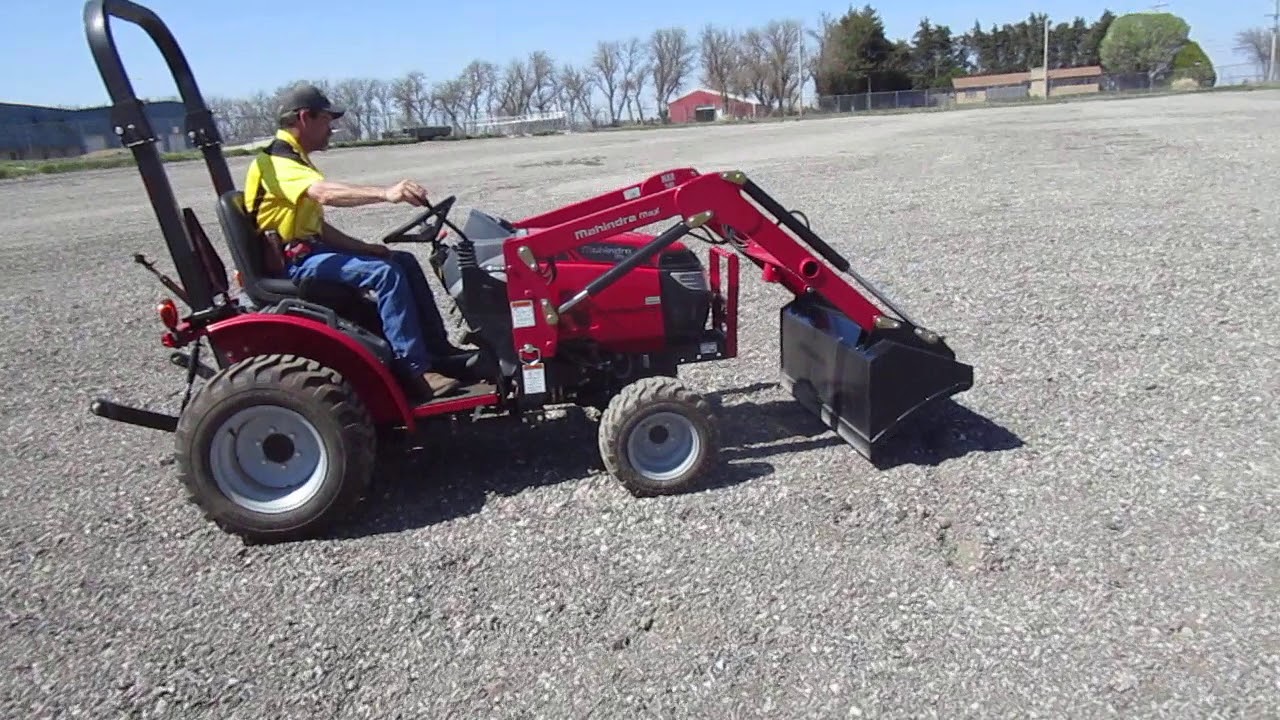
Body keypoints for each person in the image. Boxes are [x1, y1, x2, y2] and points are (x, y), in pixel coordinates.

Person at [243, 84, 467, 400]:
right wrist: (386, 193)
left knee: (400, 260)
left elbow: (316, 226)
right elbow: (325, 194)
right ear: (306, 117)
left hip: (308, 251)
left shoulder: (296, 160)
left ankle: (438, 350)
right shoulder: (276, 163)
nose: (331, 129)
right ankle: (415, 371)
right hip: (295, 263)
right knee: (384, 274)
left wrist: (364, 248)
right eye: (327, 120)